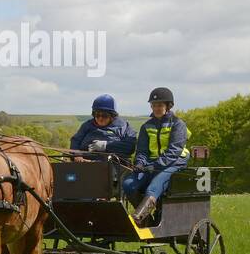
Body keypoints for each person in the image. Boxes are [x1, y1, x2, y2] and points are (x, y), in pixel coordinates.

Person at [122, 86, 189, 226]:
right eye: (154, 105)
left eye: (160, 105)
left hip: (174, 162)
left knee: (153, 187)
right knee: (128, 184)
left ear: (168, 106)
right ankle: (147, 219)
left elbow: (174, 151)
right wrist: (139, 163)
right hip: (151, 164)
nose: (156, 108)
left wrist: (154, 166)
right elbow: (141, 151)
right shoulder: (146, 126)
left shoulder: (178, 124)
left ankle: (137, 218)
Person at [69, 94, 136, 156]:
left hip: (114, 165)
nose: (100, 119)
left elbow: (130, 146)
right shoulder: (87, 125)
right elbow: (75, 140)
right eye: (97, 115)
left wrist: (105, 146)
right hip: (85, 163)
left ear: (112, 116)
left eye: (104, 115)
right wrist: (76, 155)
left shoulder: (124, 126)